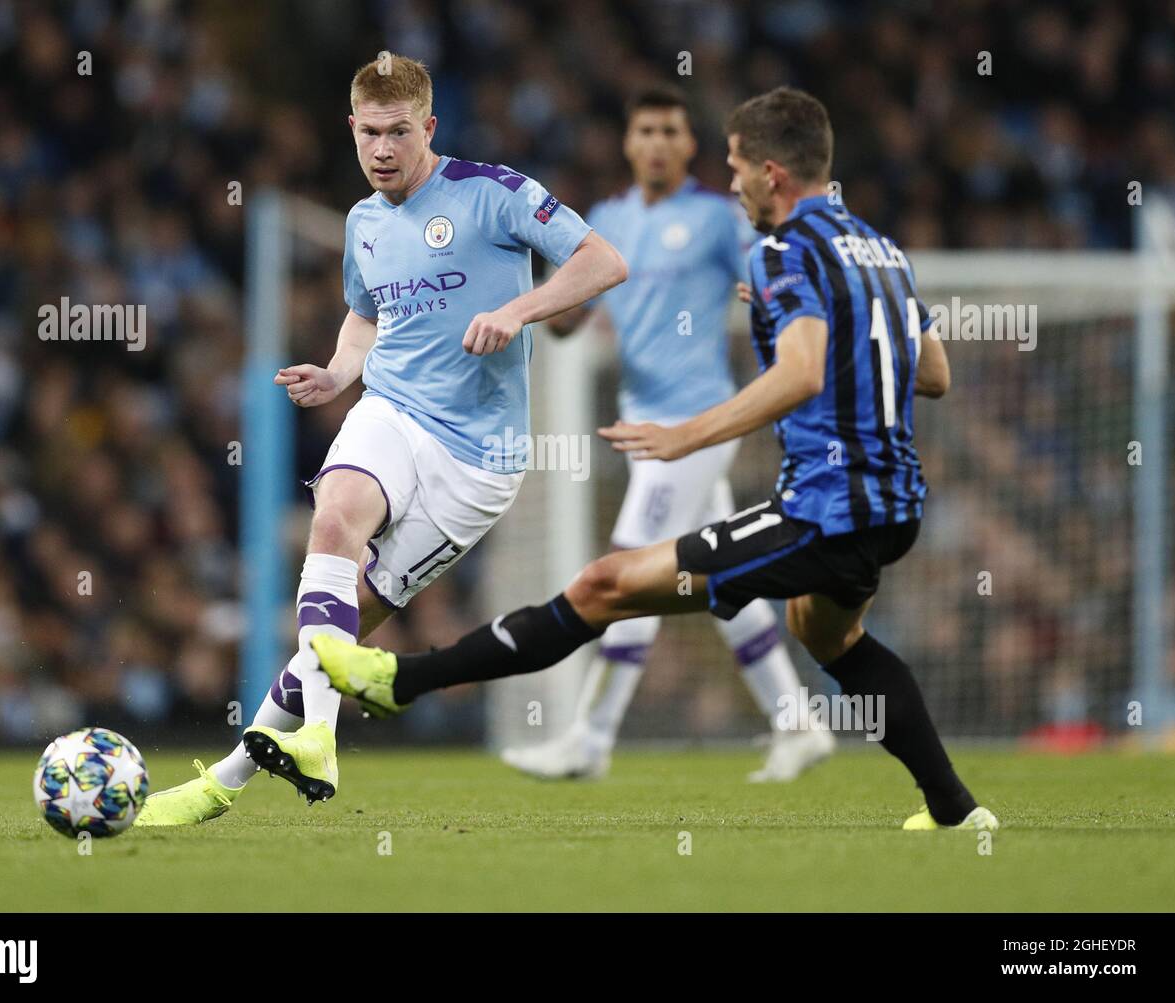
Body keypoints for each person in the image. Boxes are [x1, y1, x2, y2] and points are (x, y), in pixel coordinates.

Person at [313, 87, 999, 831]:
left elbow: (801, 371)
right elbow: (932, 374)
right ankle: (947, 805)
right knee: (823, 632)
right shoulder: (879, 248)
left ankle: (410, 681)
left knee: (608, 582)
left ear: (773, 173)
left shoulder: (778, 248)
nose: (729, 183)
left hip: (817, 499)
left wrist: (690, 434)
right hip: (894, 501)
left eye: (737, 167)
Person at [137, 54, 626, 825]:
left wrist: (520, 311)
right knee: (334, 516)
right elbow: (366, 316)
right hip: (392, 407)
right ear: (353, 130)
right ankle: (319, 741)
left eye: (400, 132)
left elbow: (605, 260)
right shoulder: (362, 223)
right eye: (370, 133)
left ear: (429, 127)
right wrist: (338, 373)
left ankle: (224, 782)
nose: (384, 150)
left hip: (477, 459)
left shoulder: (492, 194)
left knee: (346, 625)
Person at [506, 85, 832, 783]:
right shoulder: (607, 218)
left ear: (690, 145)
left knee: (628, 572)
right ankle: (797, 722)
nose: (656, 141)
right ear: (628, 143)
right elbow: (568, 318)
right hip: (642, 418)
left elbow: (772, 260)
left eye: (669, 130)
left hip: (695, 421)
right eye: (644, 129)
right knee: (723, 581)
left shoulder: (718, 218)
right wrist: (542, 302)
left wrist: (765, 290)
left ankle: (590, 739)